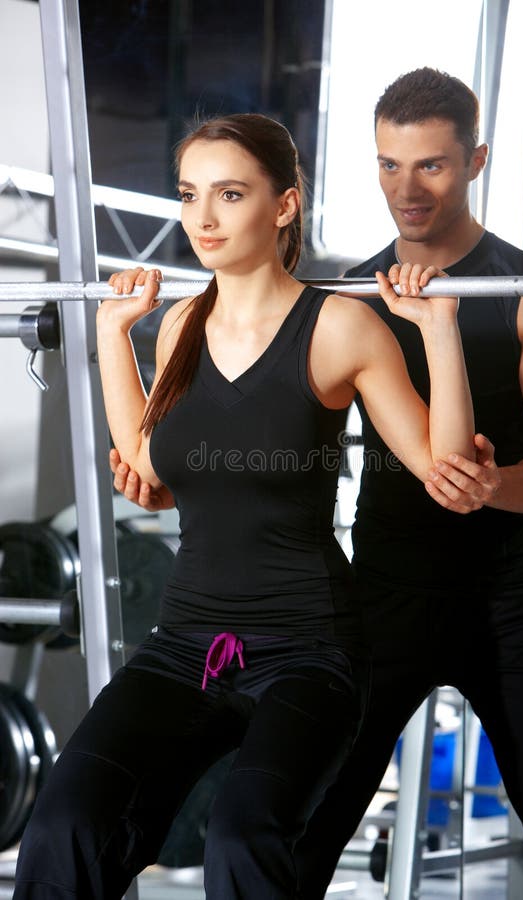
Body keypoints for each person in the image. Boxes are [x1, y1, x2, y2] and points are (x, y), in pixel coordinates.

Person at [112, 69, 523, 898]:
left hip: (506, 597)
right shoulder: (341, 301)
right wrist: (168, 472)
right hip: (378, 593)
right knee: (303, 830)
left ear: (475, 160)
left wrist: (492, 486)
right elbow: (252, 418)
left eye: (432, 167)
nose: (405, 190)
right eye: (387, 165)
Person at [13, 111, 475, 899]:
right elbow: (148, 464)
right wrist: (113, 333)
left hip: (309, 651)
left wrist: (437, 331)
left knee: (242, 836)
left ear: (284, 206)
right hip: (184, 641)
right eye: (191, 194)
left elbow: (448, 472)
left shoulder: (339, 326)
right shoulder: (183, 323)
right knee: (63, 824)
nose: (203, 218)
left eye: (230, 194)